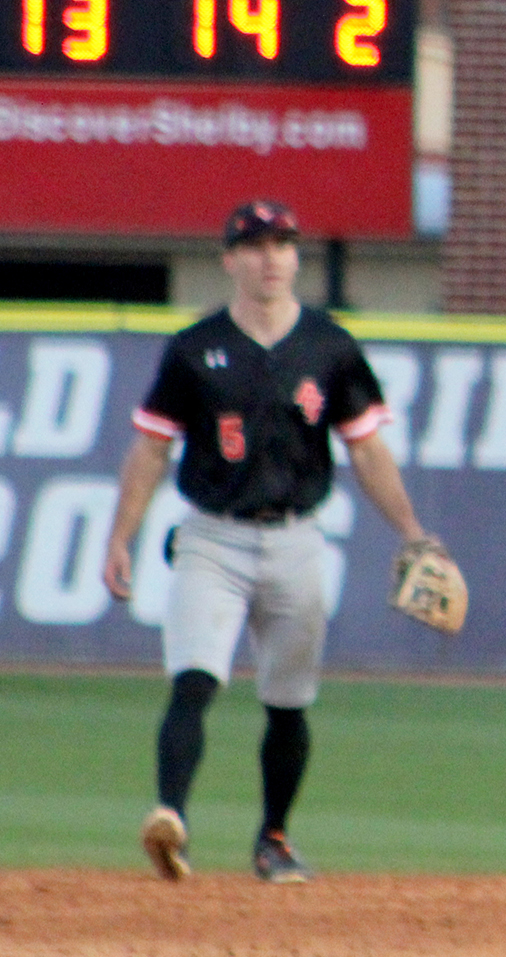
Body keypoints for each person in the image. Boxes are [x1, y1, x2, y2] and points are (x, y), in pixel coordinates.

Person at [102, 200, 436, 882]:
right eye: (254, 245)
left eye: (283, 243)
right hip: (211, 536)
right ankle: (170, 816)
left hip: (297, 539)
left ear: (296, 256)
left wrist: (412, 532)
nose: (271, 257)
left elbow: (367, 450)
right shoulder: (195, 348)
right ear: (229, 259)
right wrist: (120, 537)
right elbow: (150, 449)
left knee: (290, 697)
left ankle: (273, 838)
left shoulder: (329, 345)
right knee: (194, 675)